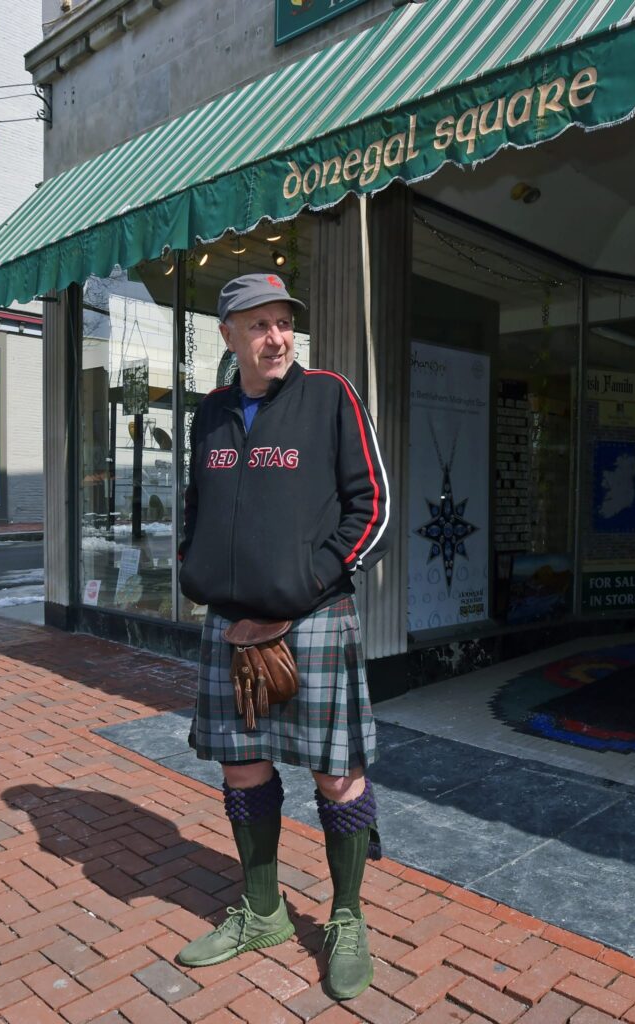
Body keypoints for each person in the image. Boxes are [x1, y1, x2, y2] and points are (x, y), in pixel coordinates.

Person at [175, 272, 392, 1000]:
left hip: (314, 618)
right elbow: (195, 504)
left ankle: (347, 917)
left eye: (282, 323)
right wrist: (193, 569)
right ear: (227, 334)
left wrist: (308, 581)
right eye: (258, 324)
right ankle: (264, 912)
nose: (275, 337)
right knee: (241, 769)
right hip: (229, 626)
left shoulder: (329, 395)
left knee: (336, 775)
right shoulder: (208, 414)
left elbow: (373, 506)